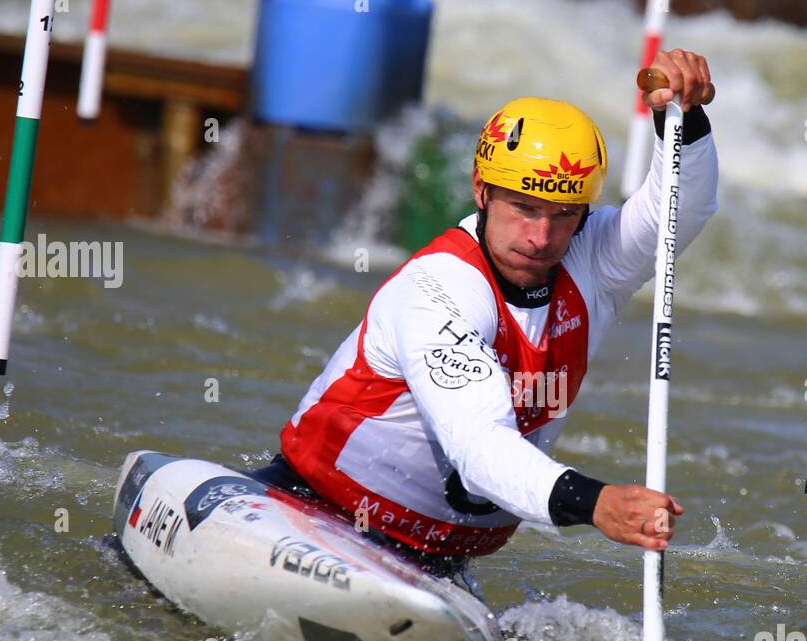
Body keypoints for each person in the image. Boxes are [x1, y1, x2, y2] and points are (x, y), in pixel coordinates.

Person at [252, 49, 719, 596]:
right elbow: (478, 449)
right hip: (309, 517)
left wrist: (681, 117)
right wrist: (596, 503)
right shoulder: (438, 289)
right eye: (523, 207)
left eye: (563, 214)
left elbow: (678, 216)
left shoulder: (593, 264)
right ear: (482, 190)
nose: (541, 239)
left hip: (436, 569)